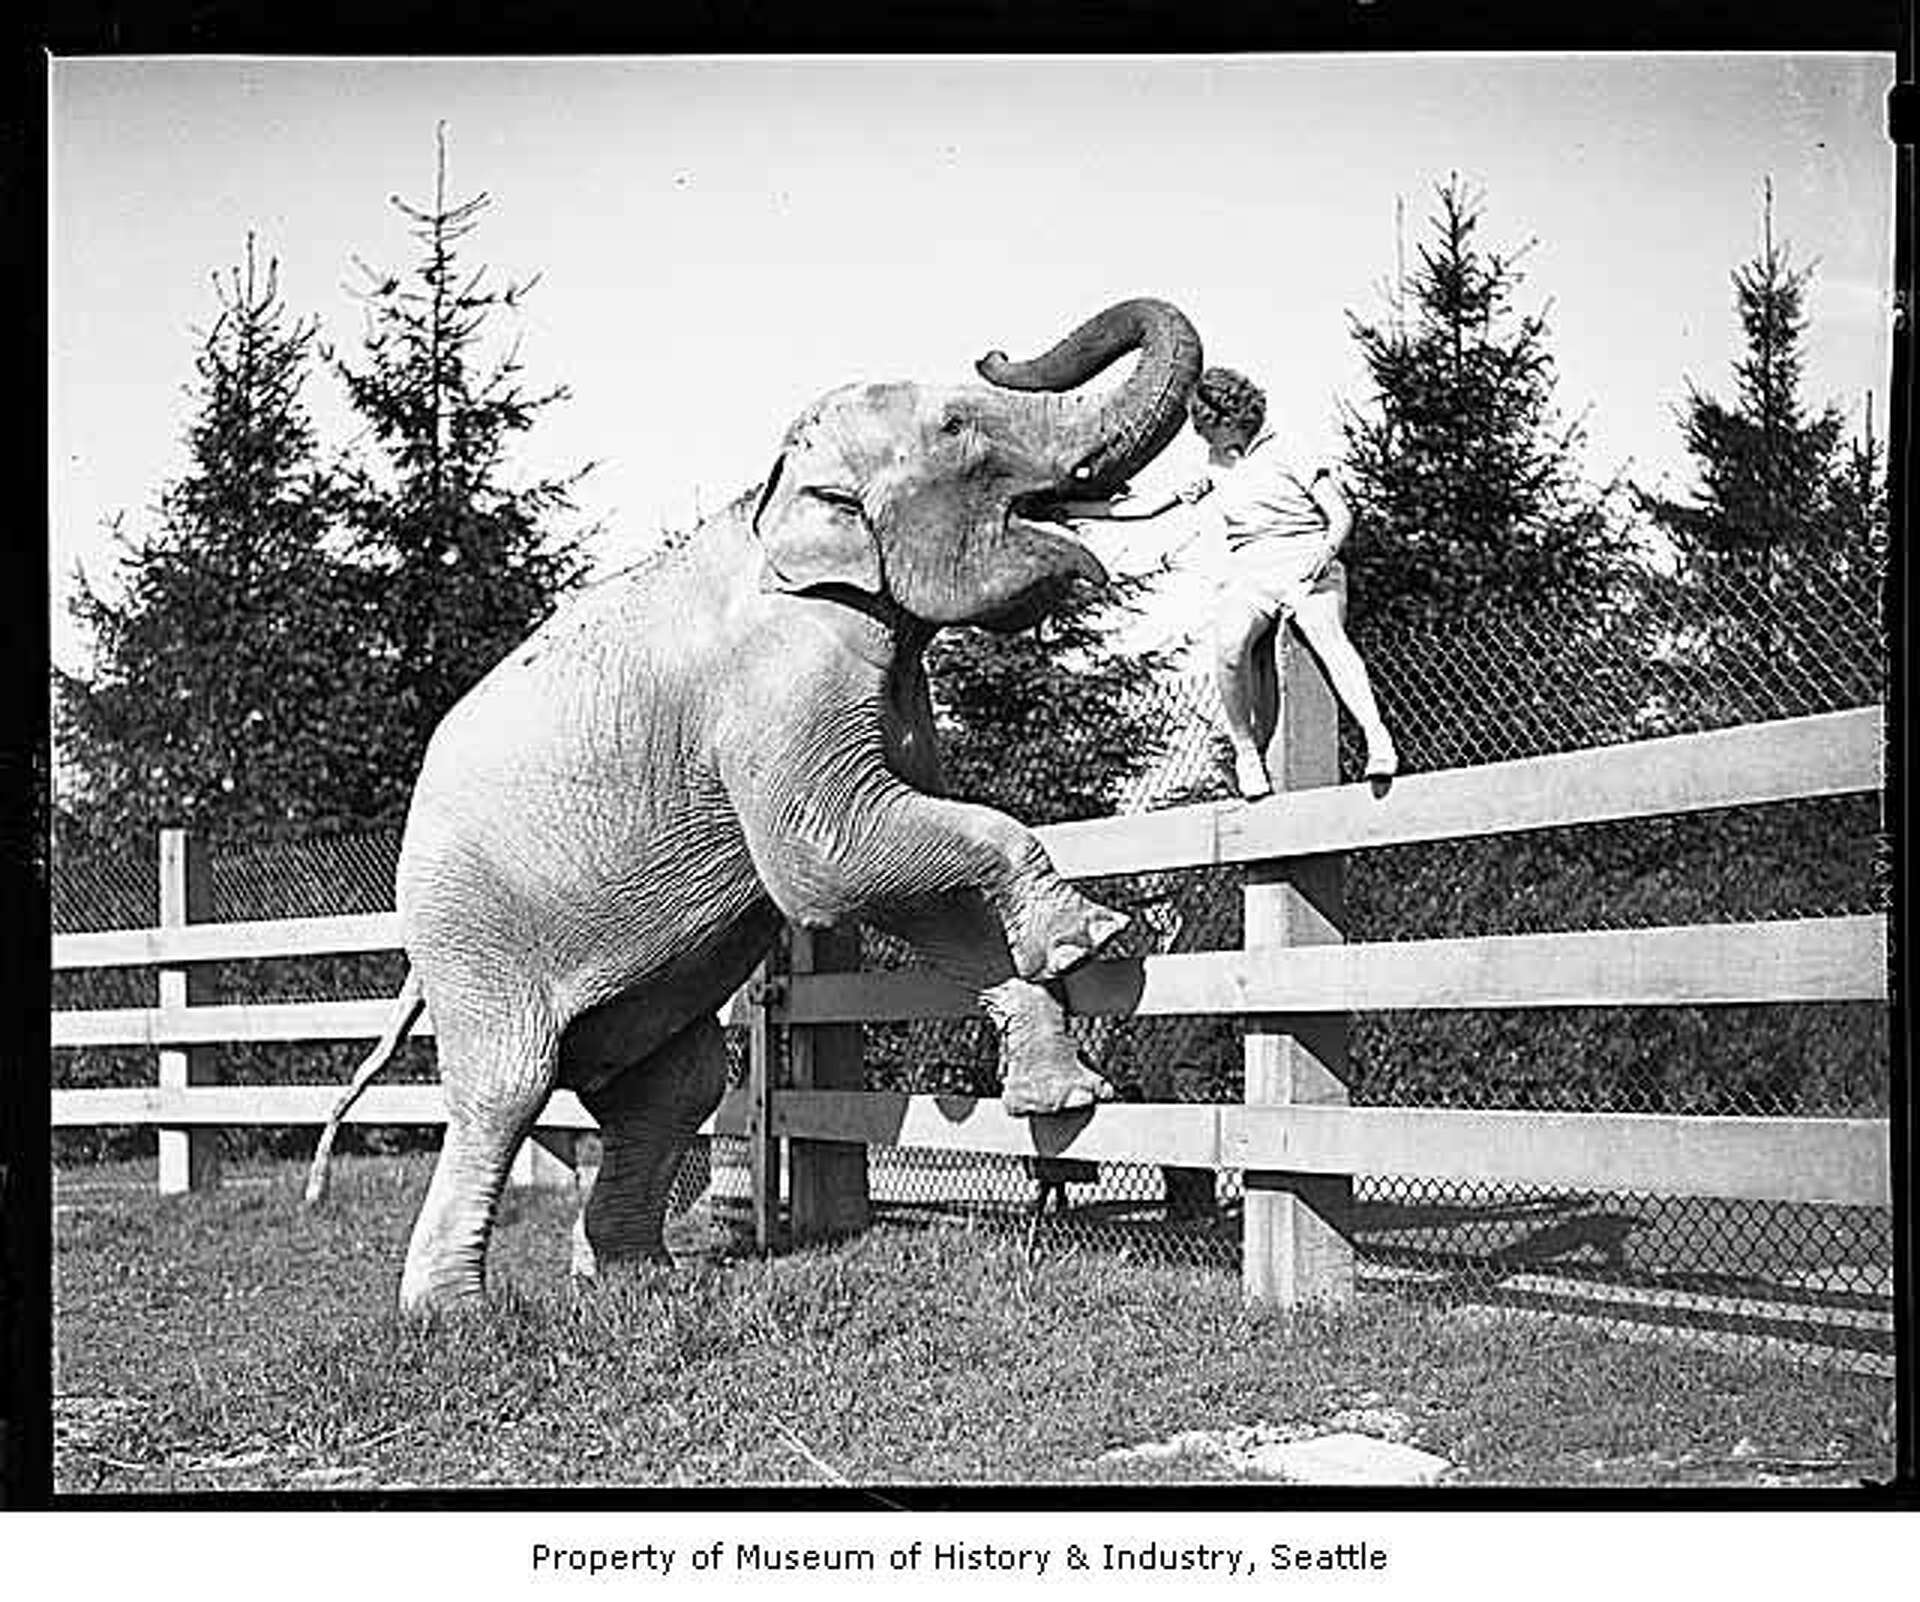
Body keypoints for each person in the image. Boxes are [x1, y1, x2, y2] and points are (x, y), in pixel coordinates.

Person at [1068, 365, 1397, 799]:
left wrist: (1326, 552)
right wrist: (1071, 510)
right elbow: (1148, 508)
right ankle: (1246, 752)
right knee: (1228, 646)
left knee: (1326, 635)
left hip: (1305, 561)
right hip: (1251, 573)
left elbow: (1339, 514)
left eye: (1206, 430)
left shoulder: (1288, 449)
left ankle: (1377, 738)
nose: (1203, 439)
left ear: (1226, 420)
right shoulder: (1216, 465)